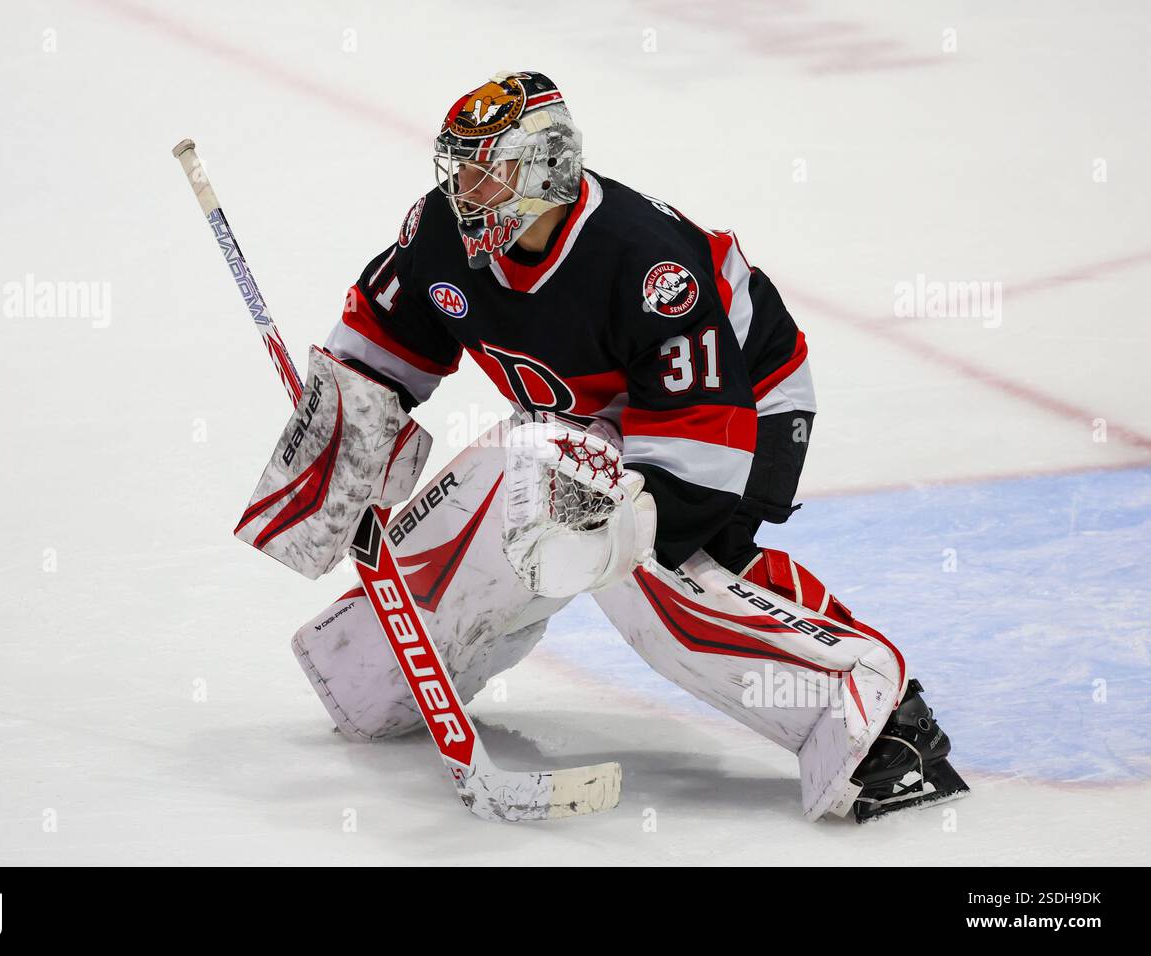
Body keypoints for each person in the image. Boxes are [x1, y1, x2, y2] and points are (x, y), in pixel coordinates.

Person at [238, 71, 968, 822]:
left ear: (548, 168)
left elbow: (703, 435)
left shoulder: (644, 263)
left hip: (741, 403)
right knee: (513, 481)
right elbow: (381, 350)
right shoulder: (439, 235)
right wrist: (341, 435)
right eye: (459, 169)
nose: (465, 191)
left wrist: (619, 527)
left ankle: (877, 715)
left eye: (489, 170)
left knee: (639, 562)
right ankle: (392, 670)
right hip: (597, 423)